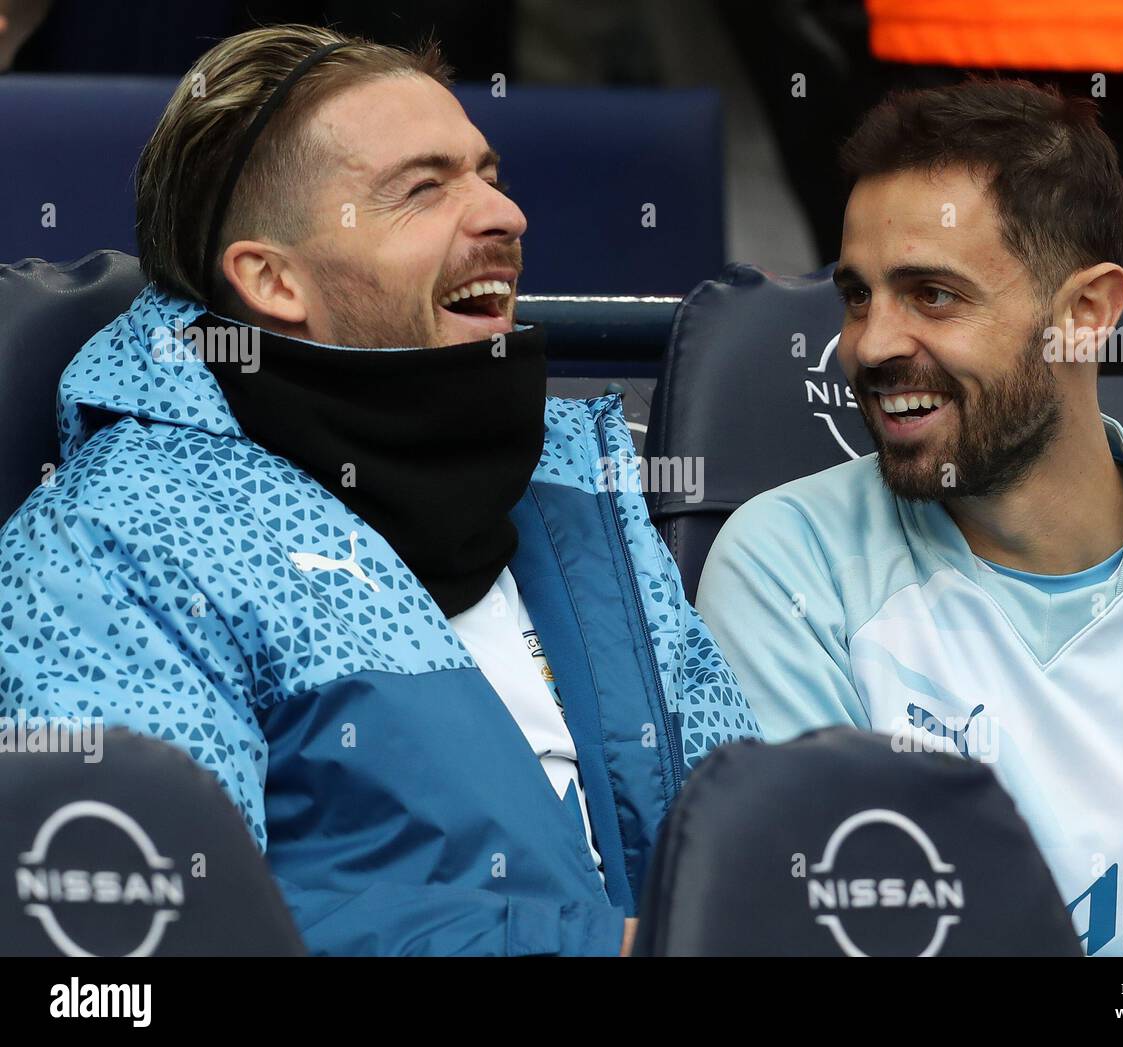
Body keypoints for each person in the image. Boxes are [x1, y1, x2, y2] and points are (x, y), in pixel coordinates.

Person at [0, 24, 757, 956]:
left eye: (490, 173)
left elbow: (742, 837)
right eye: (424, 190)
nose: (504, 216)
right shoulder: (115, 542)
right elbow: (151, 929)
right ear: (273, 279)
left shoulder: (576, 479)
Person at [695, 78, 1123, 956]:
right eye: (859, 295)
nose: (870, 343)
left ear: (1084, 315)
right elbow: (814, 937)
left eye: (932, 295)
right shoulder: (787, 568)